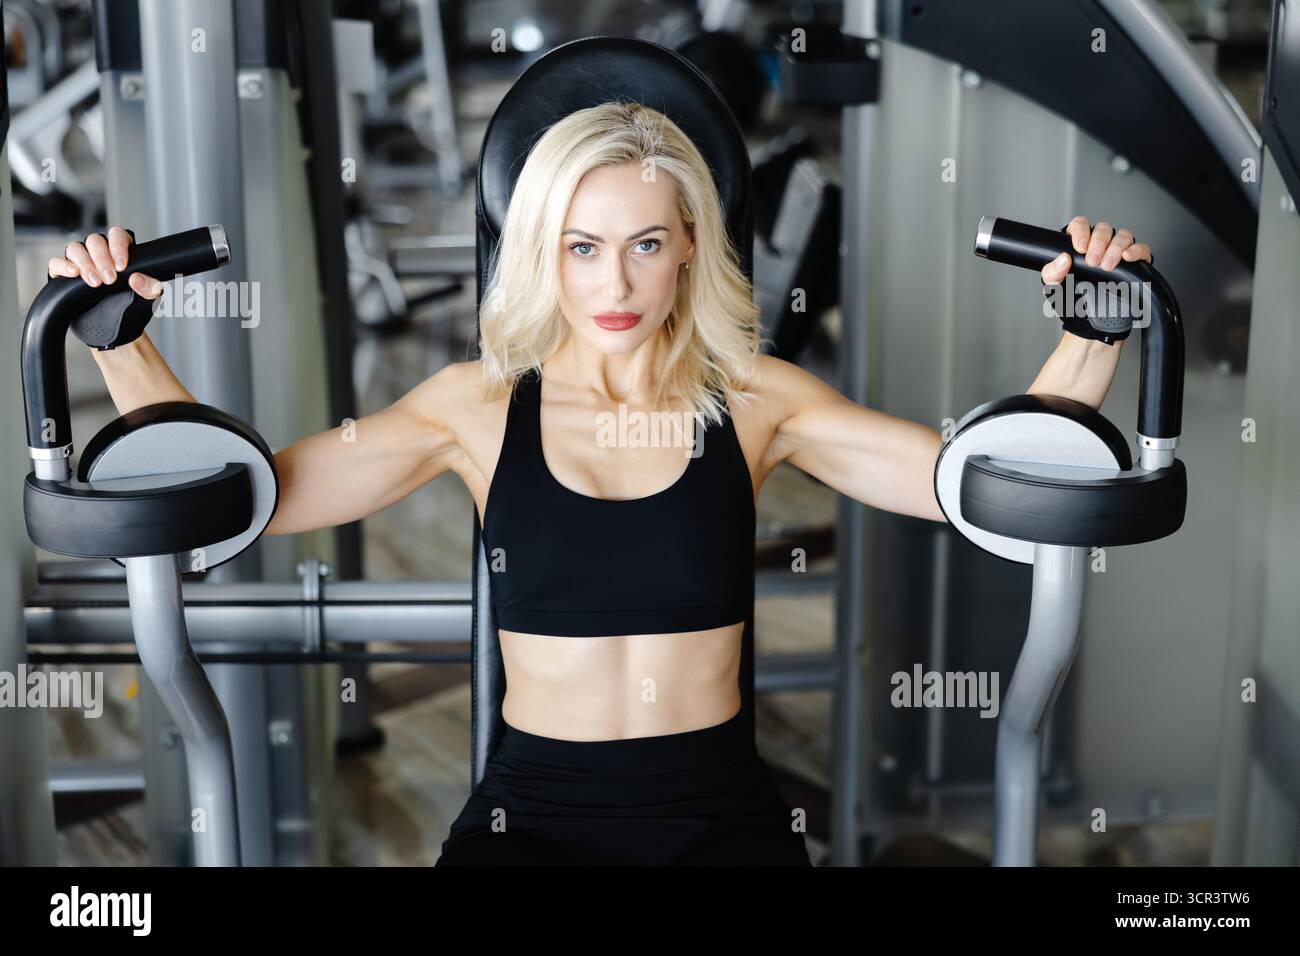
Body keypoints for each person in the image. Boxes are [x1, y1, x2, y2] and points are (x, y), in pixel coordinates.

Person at [53, 100, 1152, 867]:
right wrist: (119, 344)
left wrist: (1090, 338)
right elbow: (246, 497)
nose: (614, 281)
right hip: (530, 815)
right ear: (542, 249)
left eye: (643, 244)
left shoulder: (756, 395)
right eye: (582, 247)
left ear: (687, 246)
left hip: (719, 813)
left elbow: (979, 481)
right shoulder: (473, 406)